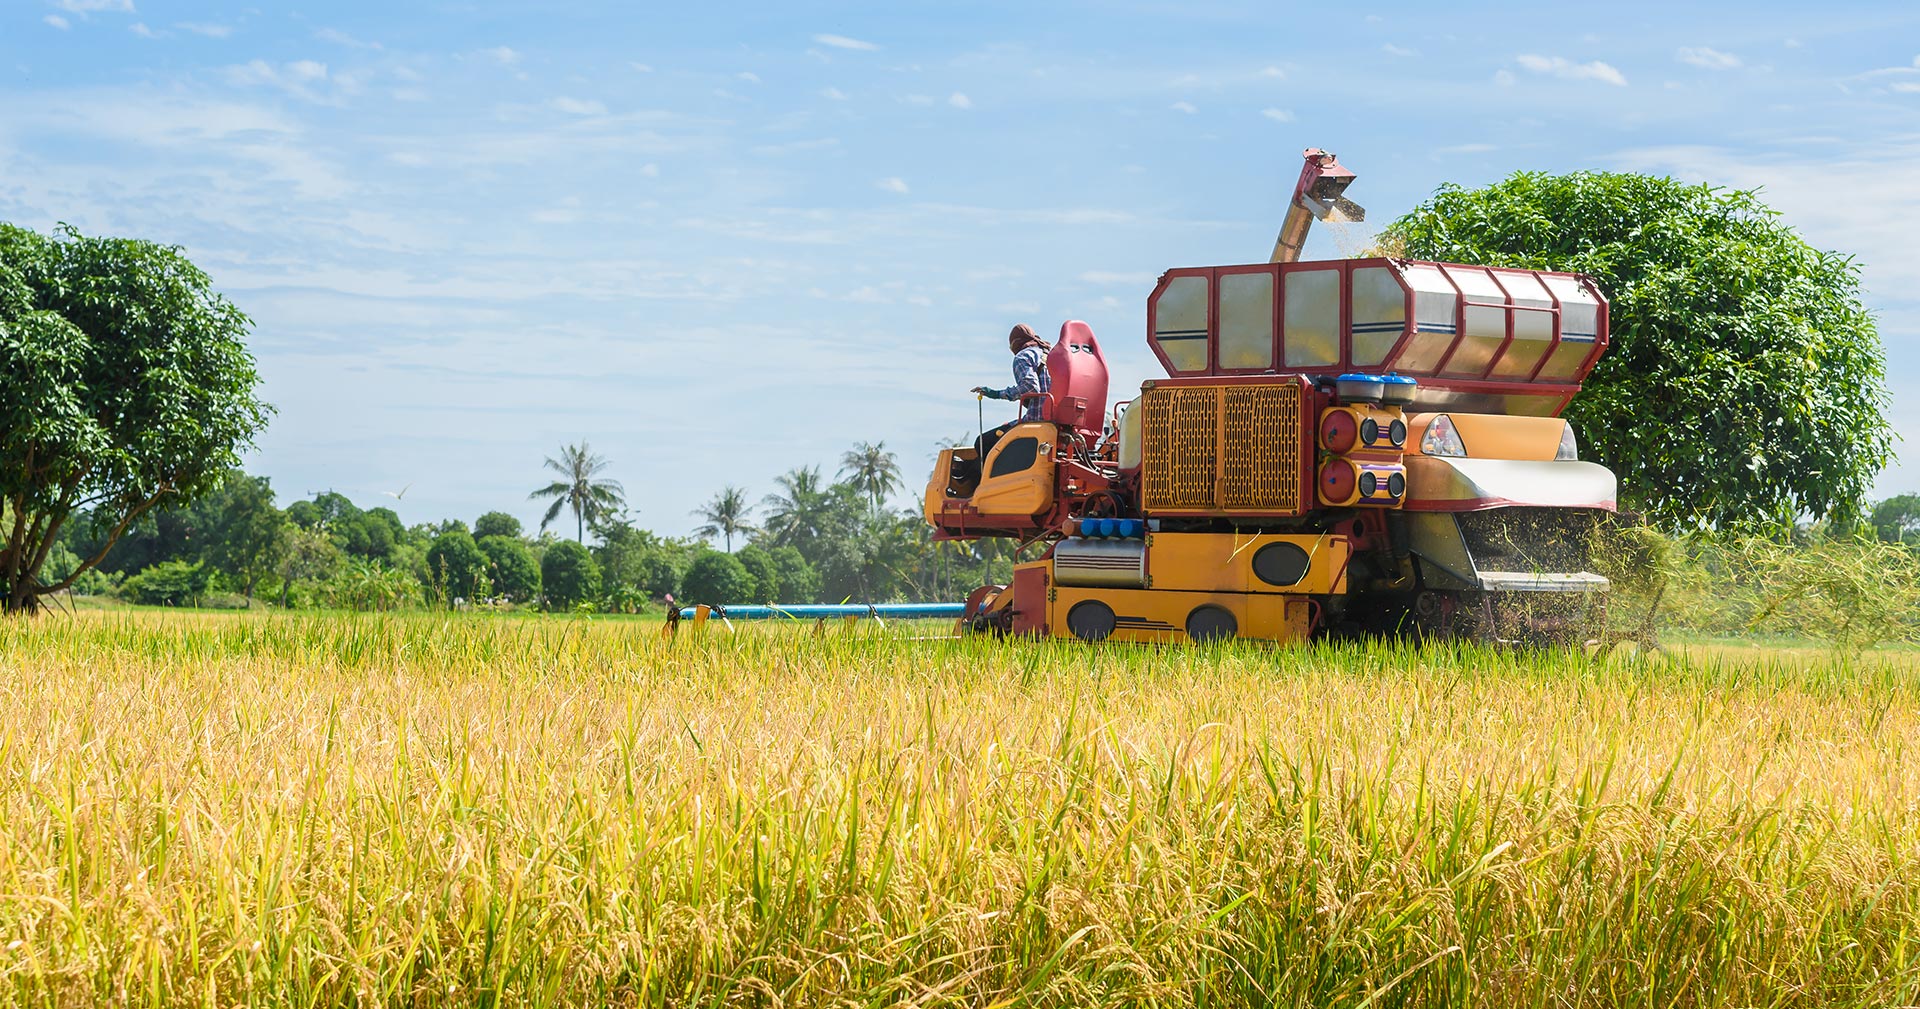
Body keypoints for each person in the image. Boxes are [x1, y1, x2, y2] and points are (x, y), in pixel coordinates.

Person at [954, 324, 1051, 487]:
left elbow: (1031, 386)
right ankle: (969, 473)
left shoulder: (1023, 356)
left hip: (1036, 420)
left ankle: (978, 485)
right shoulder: (1050, 355)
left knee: (983, 442)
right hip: (1053, 418)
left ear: (1015, 344)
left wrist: (996, 394)